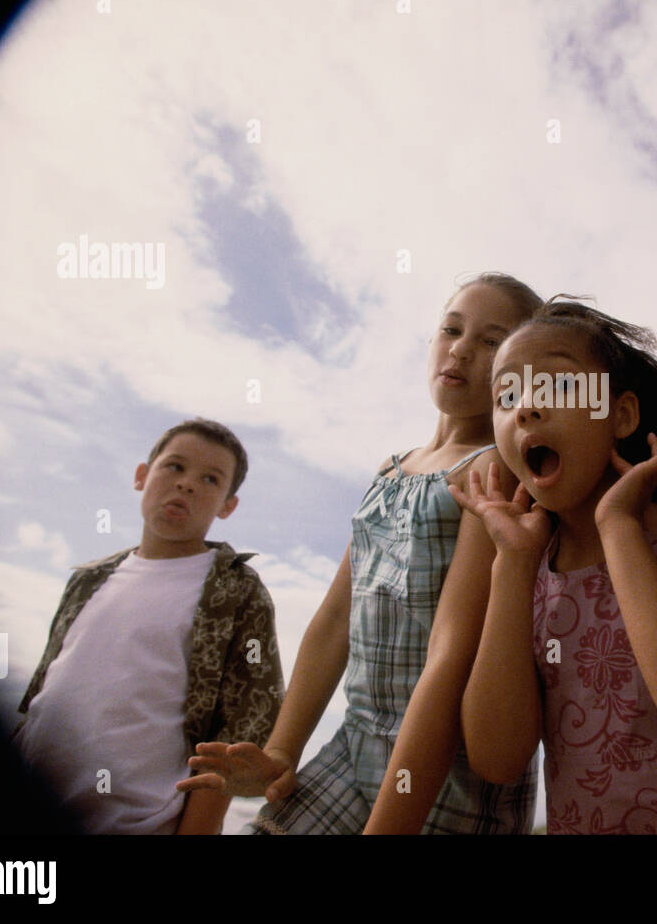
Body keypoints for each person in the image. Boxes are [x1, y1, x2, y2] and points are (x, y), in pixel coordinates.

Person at [179, 274, 542, 833]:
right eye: (451, 329)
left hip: (447, 765)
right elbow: (332, 621)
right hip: (354, 745)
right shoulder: (388, 470)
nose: (463, 348)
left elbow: (453, 650)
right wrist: (280, 753)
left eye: (492, 341)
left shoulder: (491, 468)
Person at [457, 300, 657, 833]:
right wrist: (512, 565)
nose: (525, 409)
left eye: (558, 385)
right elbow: (496, 758)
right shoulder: (524, 567)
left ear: (621, 416)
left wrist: (619, 527)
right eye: (507, 395)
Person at [14, 418, 284, 834]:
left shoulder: (236, 590)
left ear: (227, 505)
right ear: (142, 475)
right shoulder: (88, 578)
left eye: (210, 478)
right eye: (174, 467)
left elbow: (234, 738)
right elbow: (40, 701)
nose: (187, 484)